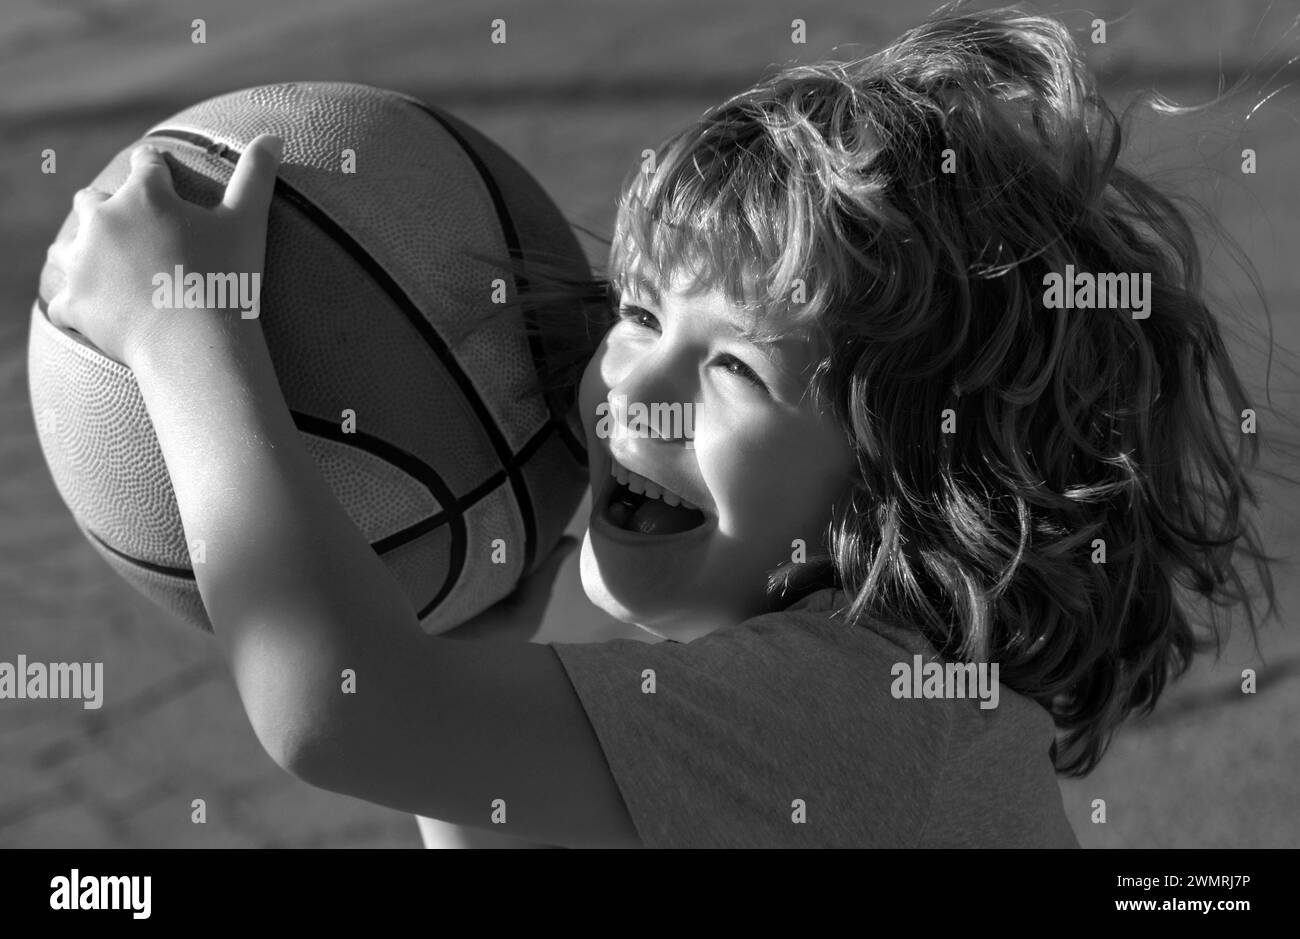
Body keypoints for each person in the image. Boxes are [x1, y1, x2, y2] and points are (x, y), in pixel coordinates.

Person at [43, 4, 1277, 848]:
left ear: (915, 472)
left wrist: (187, 334)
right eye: (639, 310)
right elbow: (471, 788)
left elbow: (342, 709)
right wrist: (487, 609)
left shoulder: (861, 714)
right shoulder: (864, 700)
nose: (630, 387)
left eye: (735, 367)